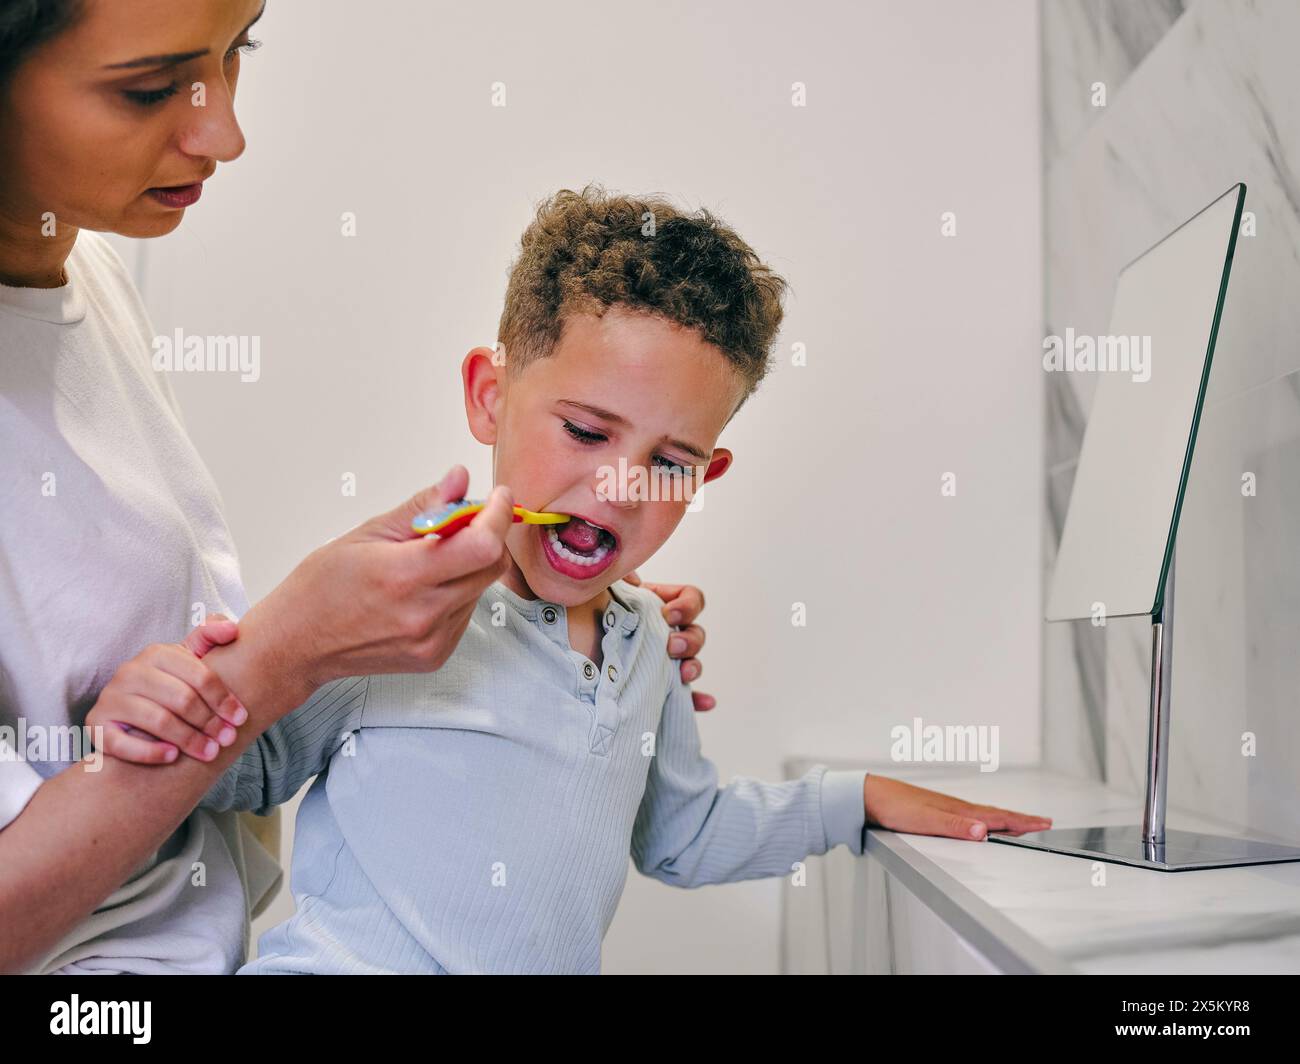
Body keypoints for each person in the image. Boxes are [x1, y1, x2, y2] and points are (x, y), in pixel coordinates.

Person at [113, 187, 1054, 974]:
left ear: (705, 475)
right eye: (587, 431)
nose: (619, 486)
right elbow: (248, 772)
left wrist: (858, 802)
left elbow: (682, 837)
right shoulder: (400, 603)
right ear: (491, 396)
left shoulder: (649, 646)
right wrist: (164, 700)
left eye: (671, 460)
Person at [0, 1, 712, 974]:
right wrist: (289, 654)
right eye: (148, 87)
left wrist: (585, 628)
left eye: (236, 47)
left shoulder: (86, 270)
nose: (226, 132)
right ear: (487, 393)